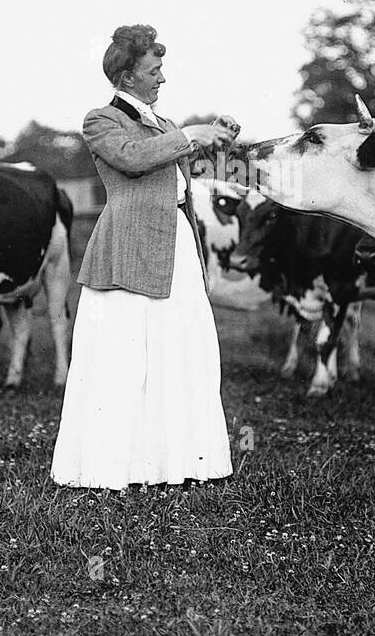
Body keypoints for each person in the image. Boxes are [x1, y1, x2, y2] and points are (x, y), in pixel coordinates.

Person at [51, 24, 238, 489]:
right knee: (125, 357)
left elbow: (173, 174)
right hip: (128, 248)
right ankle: (115, 465)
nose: (162, 79)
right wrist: (190, 134)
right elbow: (132, 160)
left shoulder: (168, 126)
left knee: (183, 351)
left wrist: (213, 141)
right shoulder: (101, 120)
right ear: (127, 76)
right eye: (154, 70)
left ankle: (179, 463)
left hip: (176, 240)